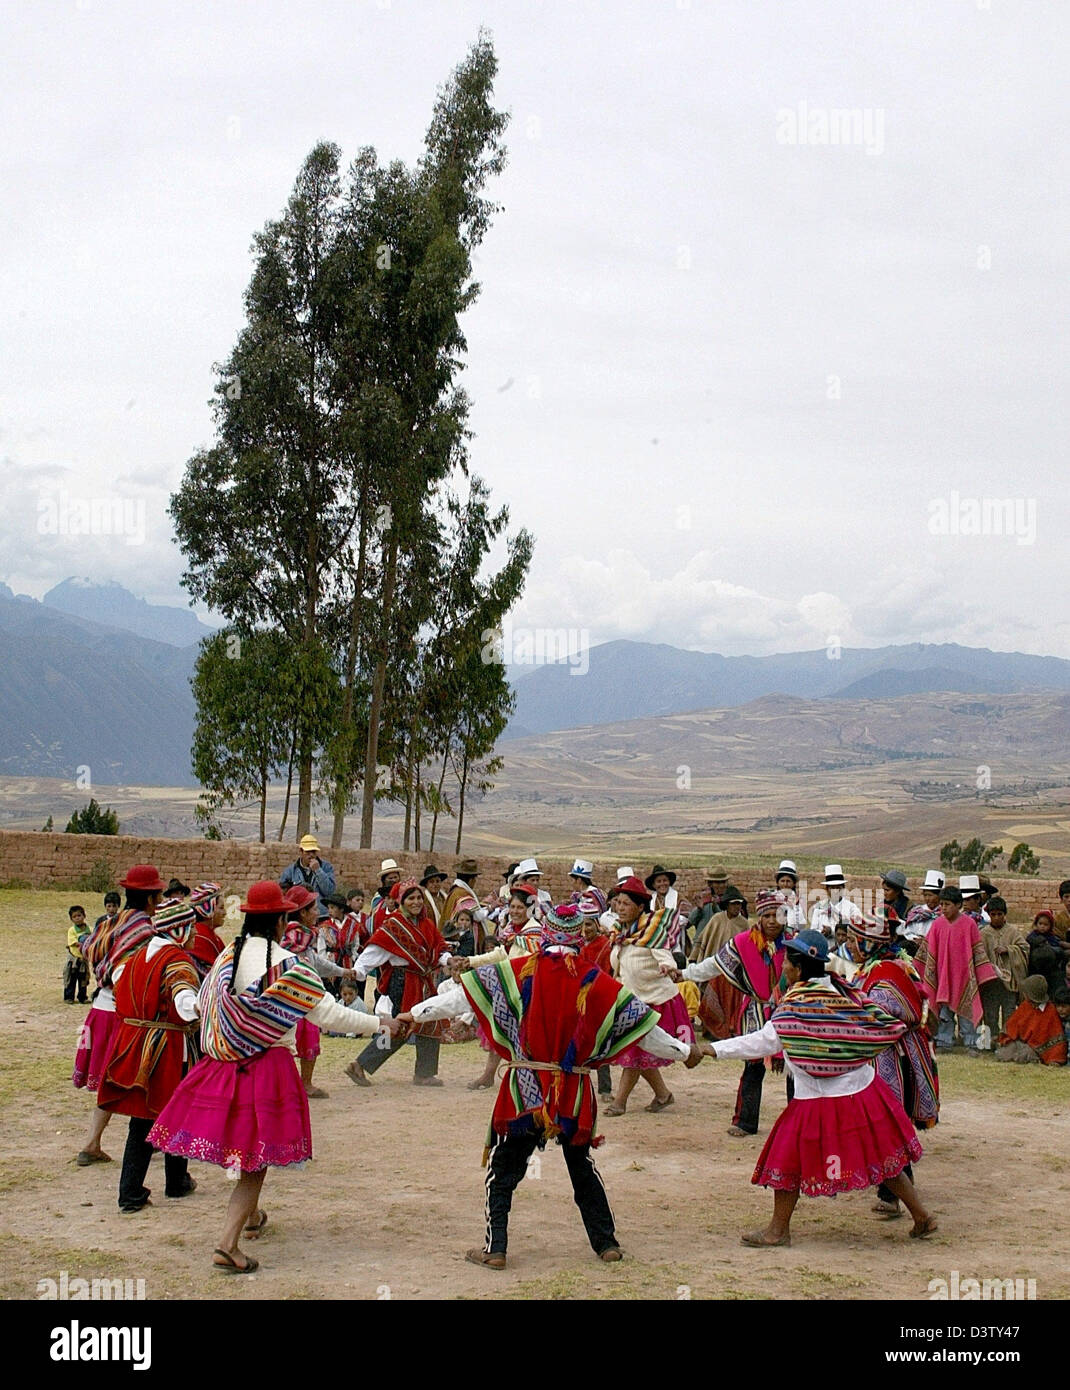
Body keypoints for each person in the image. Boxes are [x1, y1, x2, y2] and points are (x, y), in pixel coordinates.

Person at [396, 901, 704, 1269]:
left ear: (545, 934)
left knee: (503, 1169)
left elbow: (460, 996)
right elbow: (645, 1029)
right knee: (582, 1167)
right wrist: (685, 1051)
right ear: (578, 938)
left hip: (526, 1087)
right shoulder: (599, 982)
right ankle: (606, 1243)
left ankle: (496, 1248)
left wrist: (412, 1014)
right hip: (573, 1090)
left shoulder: (517, 972)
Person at [149, 880, 393, 1273]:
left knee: (245, 1148)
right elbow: (328, 1015)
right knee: (254, 1160)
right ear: (281, 920)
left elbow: (202, 1003)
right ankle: (227, 1244)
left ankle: (251, 1216)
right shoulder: (290, 967)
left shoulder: (227, 957)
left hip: (223, 1066)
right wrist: (378, 1023)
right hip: (267, 1069)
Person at [705, 930, 936, 1246]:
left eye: (788, 962)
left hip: (817, 1098)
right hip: (861, 1092)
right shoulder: (844, 992)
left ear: (799, 968)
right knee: (882, 1158)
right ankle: (921, 1217)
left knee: (787, 1159)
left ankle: (778, 1231)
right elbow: (874, 1021)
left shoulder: (796, 1007)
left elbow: (763, 1041)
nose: (783, 967)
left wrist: (712, 1049)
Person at [96, 900, 202, 1213]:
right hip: (166, 1046)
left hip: (135, 1042)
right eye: (191, 928)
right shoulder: (177, 959)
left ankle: (162, 1183)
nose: (195, 934)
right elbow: (184, 1000)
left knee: (144, 1118)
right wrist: (206, 1007)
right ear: (180, 929)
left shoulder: (136, 956)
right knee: (169, 1113)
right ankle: (144, 1190)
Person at [74, 865, 168, 1167]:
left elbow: (88, 949)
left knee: (113, 1079)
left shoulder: (109, 923)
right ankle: (145, 1139)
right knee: (137, 1075)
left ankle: (94, 1142)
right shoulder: (145, 932)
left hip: (99, 1009)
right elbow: (131, 972)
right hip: (124, 1014)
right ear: (151, 899)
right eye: (159, 896)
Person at [848, 911, 940, 1218]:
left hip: (891, 1055)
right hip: (888, 1052)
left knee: (886, 1123)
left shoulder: (886, 971)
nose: (850, 945)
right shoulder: (883, 966)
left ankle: (893, 1194)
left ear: (869, 942)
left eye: (855, 940)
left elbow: (884, 1011)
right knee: (886, 1124)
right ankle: (892, 1188)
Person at [673, 888, 787, 1136]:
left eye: (777, 915)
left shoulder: (793, 943)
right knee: (752, 1065)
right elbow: (715, 964)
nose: (771, 921)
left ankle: (797, 1123)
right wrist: (685, 974)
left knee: (795, 1069)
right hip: (756, 1011)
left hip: (790, 1011)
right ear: (759, 917)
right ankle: (745, 1122)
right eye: (766, 915)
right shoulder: (743, 943)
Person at [345, 879, 454, 1088]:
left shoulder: (426, 924)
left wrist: (449, 960)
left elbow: (438, 948)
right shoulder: (393, 927)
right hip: (404, 982)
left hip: (422, 981)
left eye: (419, 898)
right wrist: (358, 971)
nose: (416, 902)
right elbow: (374, 951)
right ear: (401, 901)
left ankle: (424, 1073)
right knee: (400, 1027)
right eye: (411, 898)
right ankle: (360, 1064)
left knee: (429, 1021)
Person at [602, 877, 693, 1117]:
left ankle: (619, 1102)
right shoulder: (619, 933)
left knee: (636, 1052)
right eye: (618, 903)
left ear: (641, 907)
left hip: (655, 1002)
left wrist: (668, 966)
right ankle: (663, 1094)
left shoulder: (652, 932)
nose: (620, 908)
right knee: (641, 1052)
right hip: (630, 1001)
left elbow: (664, 955)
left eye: (626, 904)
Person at [281, 885, 352, 1098]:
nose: (317, 913)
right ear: (302, 912)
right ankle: (289, 1085)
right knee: (286, 1043)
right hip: (290, 999)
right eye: (313, 909)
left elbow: (317, 963)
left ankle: (305, 1083)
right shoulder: (289, 939)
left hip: (307, 999)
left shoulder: (304, 938)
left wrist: (342, 971)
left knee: (309, 1037)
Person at [914, 887, 997, 1056]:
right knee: (944, 1012)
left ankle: (971, 1042)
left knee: (967, 1012)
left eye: (947, 904)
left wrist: (982, 972)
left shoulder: (969, 924)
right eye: (942, 904)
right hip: (942, 976)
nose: (943, 908)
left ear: (958, 905)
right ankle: (944, 1040)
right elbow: (927, 951)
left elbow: (977, 951)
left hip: (964, 976)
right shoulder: (937, 924)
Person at [979, 896, 1029, 1045]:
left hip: (1009, 981)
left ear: (1005, 914)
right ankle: (989, 1041)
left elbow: (1025, 948)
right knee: (990, 1013)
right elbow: (978, 954)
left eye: (999, 914)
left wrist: (1009, 950)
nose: (996, 918)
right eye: (993, 914)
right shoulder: (984, 933)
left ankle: (1008, 1041)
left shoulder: (1012, 932)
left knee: (1009, 1012)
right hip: (990, 982)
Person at [995, 975, 1068, 1065]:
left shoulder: (1050, 1011)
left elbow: (1056, 1039)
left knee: (1025, 1055)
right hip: (1020, 1044)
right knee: (1003, 1054)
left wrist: (1054, 1059)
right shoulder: (1025, 1006)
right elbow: (1012, 1025)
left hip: (1035, 1051)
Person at [278, 834, 336, 915]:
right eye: (308, 852)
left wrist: (318, 871)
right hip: (299, 915)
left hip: (320, 915)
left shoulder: (326, 867)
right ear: (301, 851)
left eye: (313, 852)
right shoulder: (290, 871)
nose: (311, 855)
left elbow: (329, 891)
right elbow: (283, 895)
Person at [188, 882, 227, 982]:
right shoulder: (198, 938)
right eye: (221, 908)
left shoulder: (212, 936)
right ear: (207, 910)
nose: (225, 913)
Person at [1026, 911, 1070, 998]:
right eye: (1040, 924)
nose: (1042, 926)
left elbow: (1057, 946)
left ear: (1050, 926)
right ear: (1036, 924)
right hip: (1036, 969)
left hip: (1051, 970)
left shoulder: (1052, 937)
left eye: (1046, 925)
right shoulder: (1033, 936)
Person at [809, 865, 862, 937]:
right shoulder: (819, 908)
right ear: (827, 889)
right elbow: (813, 931)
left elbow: (857, 929)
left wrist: (832, 931)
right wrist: (822, 931)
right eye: (832, 888)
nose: (835, 891)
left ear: (843, 888)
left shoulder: (852, 908)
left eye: (838, 887)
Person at [901, 871, 944, 955]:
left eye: (930, 895)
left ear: (939, 896)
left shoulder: (945, 914)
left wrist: (927, 941)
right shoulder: (917, 912)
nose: (927, 898)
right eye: (925, 895)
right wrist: (915, 939)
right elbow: (908, 931)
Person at [64, 905, 91, 1004]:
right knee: (71, 978)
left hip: (83, 959)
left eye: (79, 915)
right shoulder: (72, 930)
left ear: (84, 916)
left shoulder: (90, 929)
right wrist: (83, 944)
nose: (77, 918)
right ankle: (69, 997)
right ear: (71, 919)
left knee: (83, 979)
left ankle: (82, 997)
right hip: (74, 959)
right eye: (74, 917)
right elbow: (74, 942)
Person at [774, 861, 806, 934]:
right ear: (777, 883)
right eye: (782, 881)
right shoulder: (772, 899)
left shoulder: (798, 902)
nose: (785, 884)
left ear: (794, 883)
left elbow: (801, 924)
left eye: (788, 881)